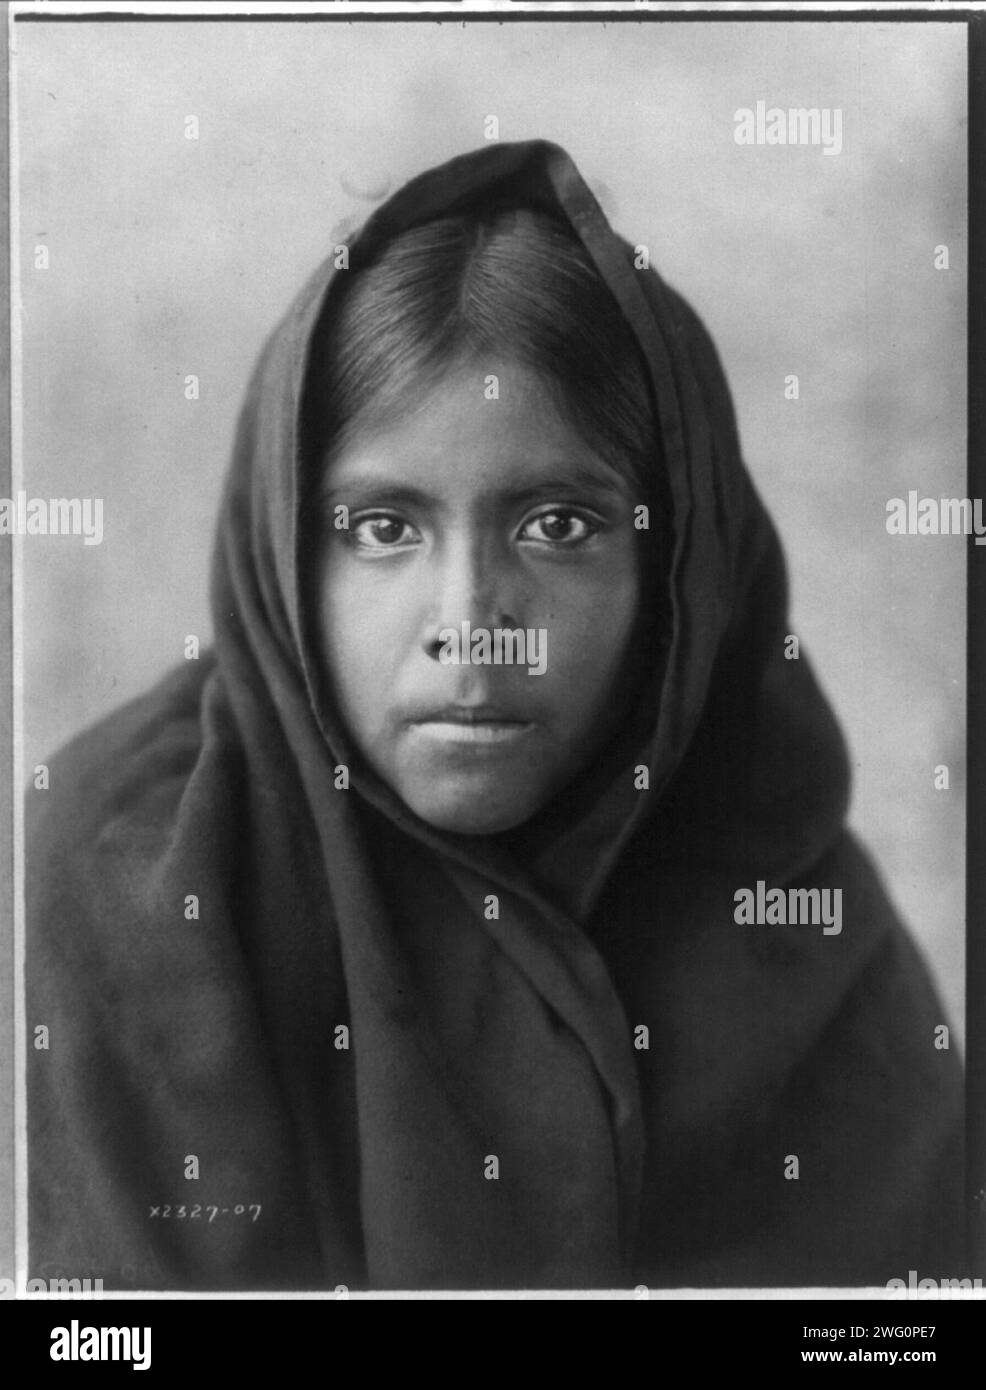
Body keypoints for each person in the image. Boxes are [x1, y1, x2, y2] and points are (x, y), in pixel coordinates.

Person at [27, 139, 964, 1292]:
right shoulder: (110, 890)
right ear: (282, 551)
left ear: (675, 567)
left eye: (556, 525)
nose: (470, 625)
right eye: (382, 528)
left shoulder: (801, 921)